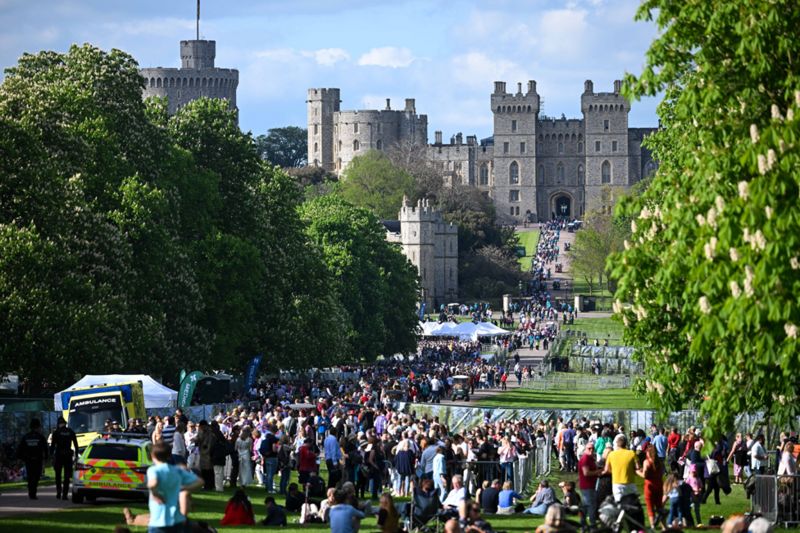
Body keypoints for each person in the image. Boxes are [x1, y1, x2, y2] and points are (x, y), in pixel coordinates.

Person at [146, 440, 203, 532]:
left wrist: (155, 493)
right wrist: (184, 488)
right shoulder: (177, 470)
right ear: (169, 456)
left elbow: (153, 483)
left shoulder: (153, 470)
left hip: (158, 519)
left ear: (153, 456)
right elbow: (200, 481)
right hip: (177, 519)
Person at [602, 434, 640, 502]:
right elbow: (638, 467)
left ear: (617, 444)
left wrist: (615, 471)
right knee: (633, 504)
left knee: (619, 503)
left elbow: (606, 469)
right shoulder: (631, 453)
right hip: (630, 482)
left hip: (617, 483)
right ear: (626, 443)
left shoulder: (611, 454)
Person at [50, 416, 79, 500]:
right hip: (68, 455)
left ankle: (59, 491)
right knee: (67, 476)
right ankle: (65, 494)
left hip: (59, 455)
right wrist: (76, 455)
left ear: (58, 424)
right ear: (65, 423)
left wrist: (51, 456)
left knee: (58, 475)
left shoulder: (56, 432)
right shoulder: (70, 431)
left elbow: (52, 446)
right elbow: (76, 445)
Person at [18, 418, 48, 500]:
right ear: (37, 427)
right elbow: (45, 448)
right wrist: (46, 458)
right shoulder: (41, 437)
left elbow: (20, 448)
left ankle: (31, 492)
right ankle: (33, 493)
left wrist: (22, 458)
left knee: (30, 476)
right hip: (38, 460)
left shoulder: (26, 437)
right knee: (36, 476)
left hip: (28, 460)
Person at [637, 444, 663, 528]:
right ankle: (664, 526)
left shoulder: (646, 461)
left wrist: (637, 472)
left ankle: (652, 525)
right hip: (659, 484)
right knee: (659, 505)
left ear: (648, 452)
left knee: (650, 506)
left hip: (650, 486)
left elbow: (644, 475)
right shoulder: (659, 461)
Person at [578, 440, 601, 528]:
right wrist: (598, 472)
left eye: (593, 448)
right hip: (587, 486)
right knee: (591, 505)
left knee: (585, 506)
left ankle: (583, 524)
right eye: (589, 448)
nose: (591, 450)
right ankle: (592, 524)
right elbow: (586, 473)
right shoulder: (585, 458)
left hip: (589, 485)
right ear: (585, 449)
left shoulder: (590, 458)